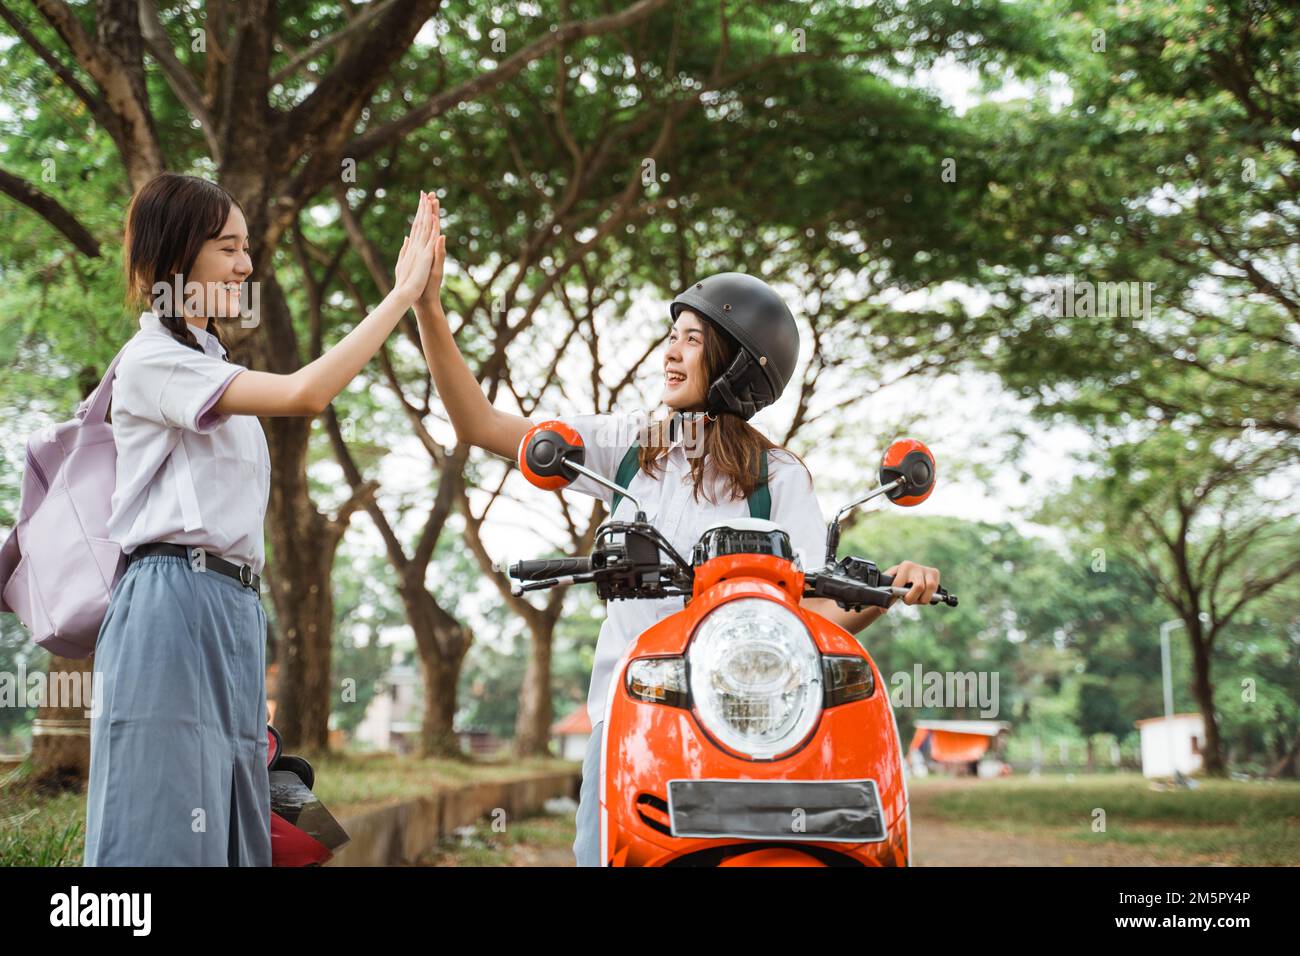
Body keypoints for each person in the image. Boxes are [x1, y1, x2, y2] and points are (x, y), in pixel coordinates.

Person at [409, 194, 941, 866]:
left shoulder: (781, 479)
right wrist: (426, 305)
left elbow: (811, 614)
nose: (671, 352)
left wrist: (889, 589)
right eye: (672, 335)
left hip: (753, 719)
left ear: (739, 362)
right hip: (635, 708)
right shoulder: (630, 445)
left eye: (693, 339)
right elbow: (481, 426)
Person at [83, 173, 442, 866]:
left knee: (247, 822)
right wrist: (401, 296)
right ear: (173, 259)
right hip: (170, 602)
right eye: (227, 247)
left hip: (233, 608)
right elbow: (307, 394)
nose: (246, 264)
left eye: (246, 246)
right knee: (162, 823)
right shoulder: (153, 361)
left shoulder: (208, 362)